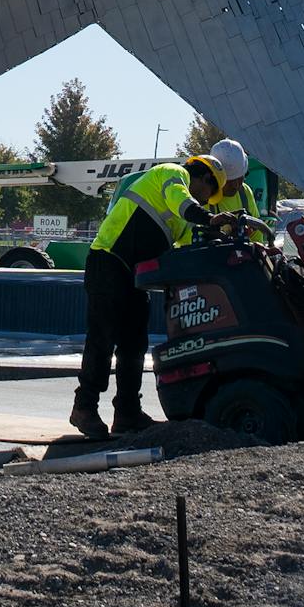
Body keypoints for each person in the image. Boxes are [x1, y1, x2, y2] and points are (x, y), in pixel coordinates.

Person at [70, 158, 196, 439]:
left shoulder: (184, 218)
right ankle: (84, 407)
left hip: (134, 275)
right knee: (102, 338)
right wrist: (207, 217)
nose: (206, 199)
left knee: (134, 345)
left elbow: (190, 246)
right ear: (203, 177)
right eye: (209, 190)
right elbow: (184, 201)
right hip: (108, 260)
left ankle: (127, 412)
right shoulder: (173, 174)